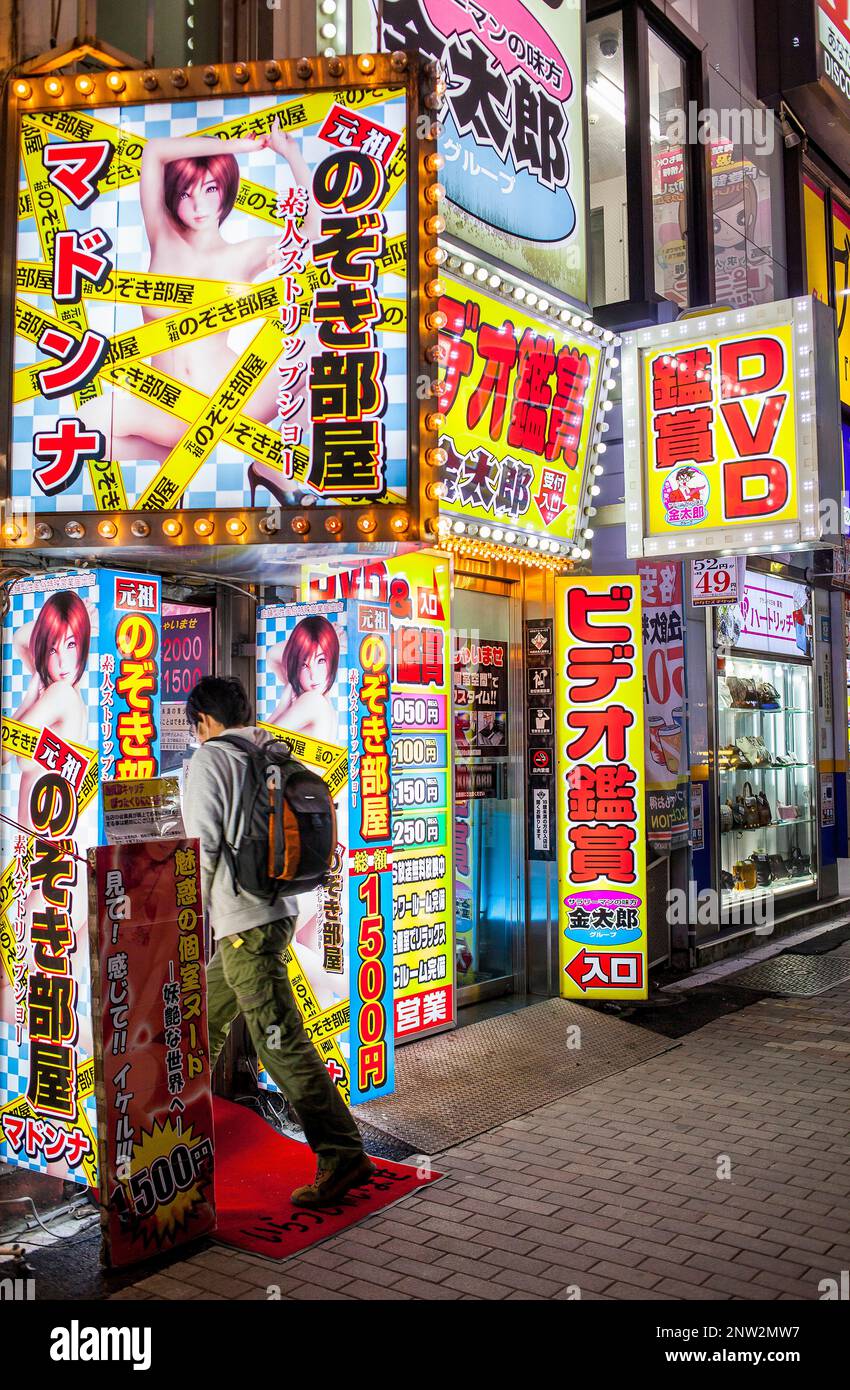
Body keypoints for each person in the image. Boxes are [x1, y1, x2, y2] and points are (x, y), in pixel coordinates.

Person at [182, 674, 374, 1207]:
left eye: (194, 724)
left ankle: (342, 1153)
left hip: (245, 922)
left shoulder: (210, 761)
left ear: (202, 721)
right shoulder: (268, 749)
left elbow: (203, 847)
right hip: (277, 910)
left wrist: (187, 917)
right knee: (201, 1019)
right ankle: (178, 1133)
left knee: (280, 1040)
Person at [82, 120, 319, 502]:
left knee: (314, 354)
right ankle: (185, 452)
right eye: (186, 193)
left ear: (225, 191)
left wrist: (290, 154)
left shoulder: (242, 254)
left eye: (210, 189)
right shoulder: (163, 238)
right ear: (172, 197)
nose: (199, 206)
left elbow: (313, 233)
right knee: (84, 427)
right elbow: (154, 150)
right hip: (167, 408)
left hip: (235, 399)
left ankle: (270, 467)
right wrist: (242, 145)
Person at [266, 616, 340, 742]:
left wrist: (282, 707)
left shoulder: (313, 700)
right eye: (304, 665)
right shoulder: (327, 705)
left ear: (332, 658)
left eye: (321, 661)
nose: (313, 675)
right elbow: (272, 654)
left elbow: (260, 743)